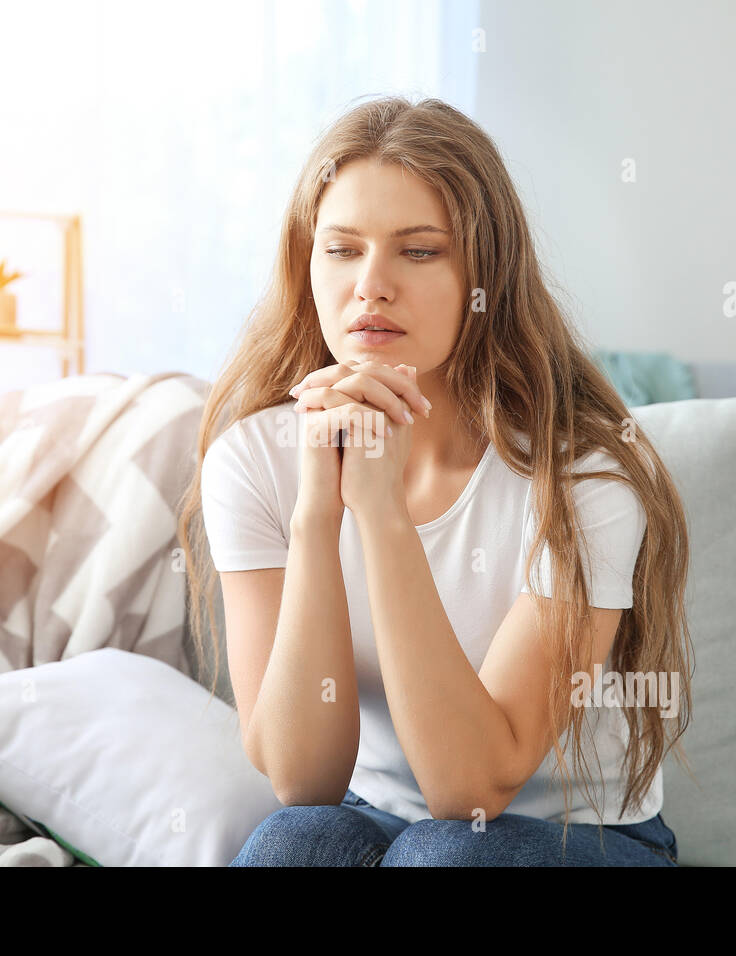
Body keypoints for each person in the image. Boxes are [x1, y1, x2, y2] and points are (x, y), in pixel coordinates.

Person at [177, 95, 693, 866]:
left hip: (580, 837)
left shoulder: (587, 473)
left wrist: (380, 516)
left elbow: (471, 791)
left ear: (487, 275)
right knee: (293, 843)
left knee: (447, 856)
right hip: (379, 820)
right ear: (305, 262)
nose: (371, 285)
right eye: (342, 249)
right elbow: (302, 776)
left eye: (418, 251)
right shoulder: (253, 462)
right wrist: (319, 512)